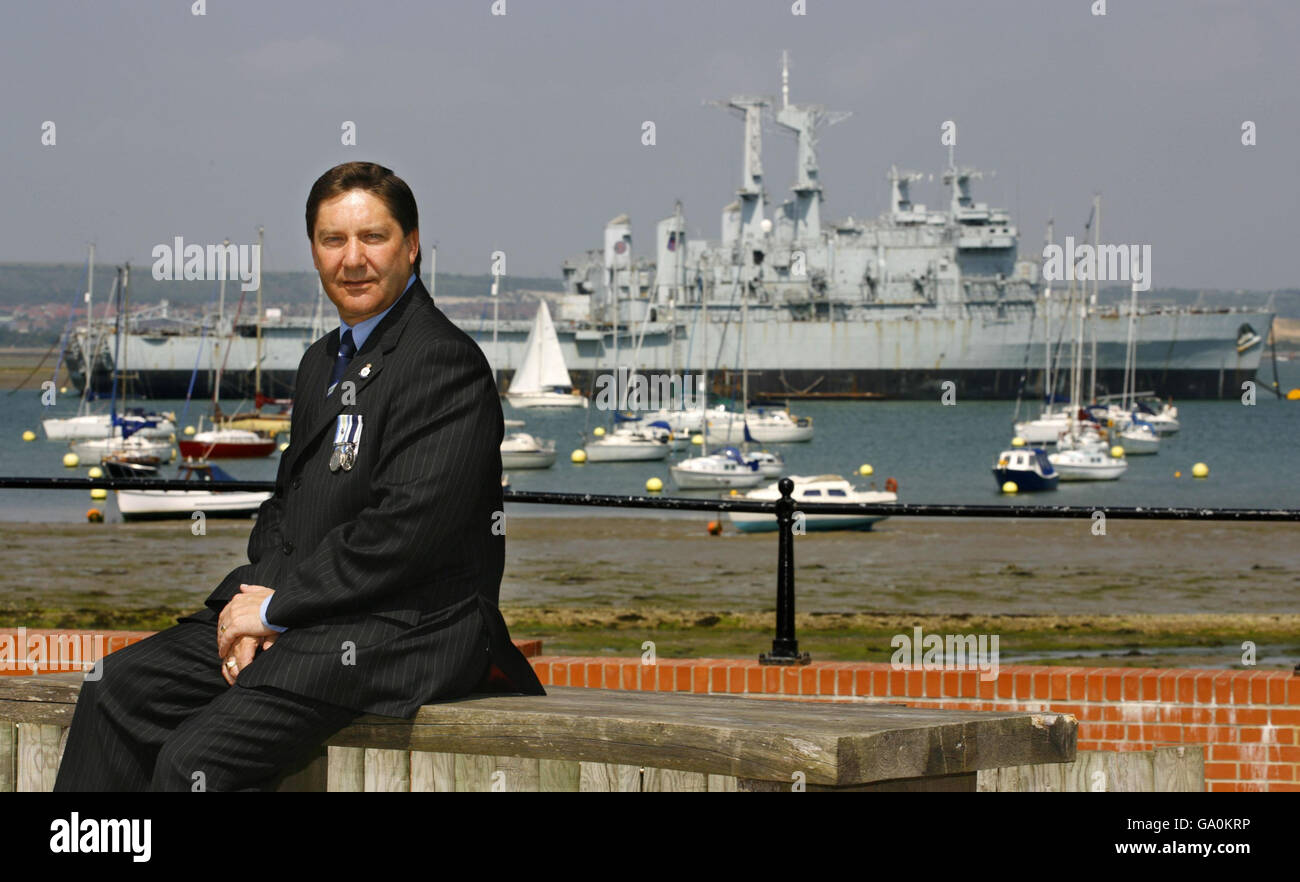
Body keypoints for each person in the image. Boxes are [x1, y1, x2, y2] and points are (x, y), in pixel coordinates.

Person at [54, 161, 543, 792]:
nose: (353, 259)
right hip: (312, 613)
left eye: (374, 237)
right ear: (313, 250)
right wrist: (254, 606)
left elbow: (405, 533)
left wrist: (279, 611)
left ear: (413, 245)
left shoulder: (442, 361)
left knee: (193, 761)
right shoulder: (322, 362)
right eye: (333, 240)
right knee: (114, 691)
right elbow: (288, 508)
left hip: (407, 628)